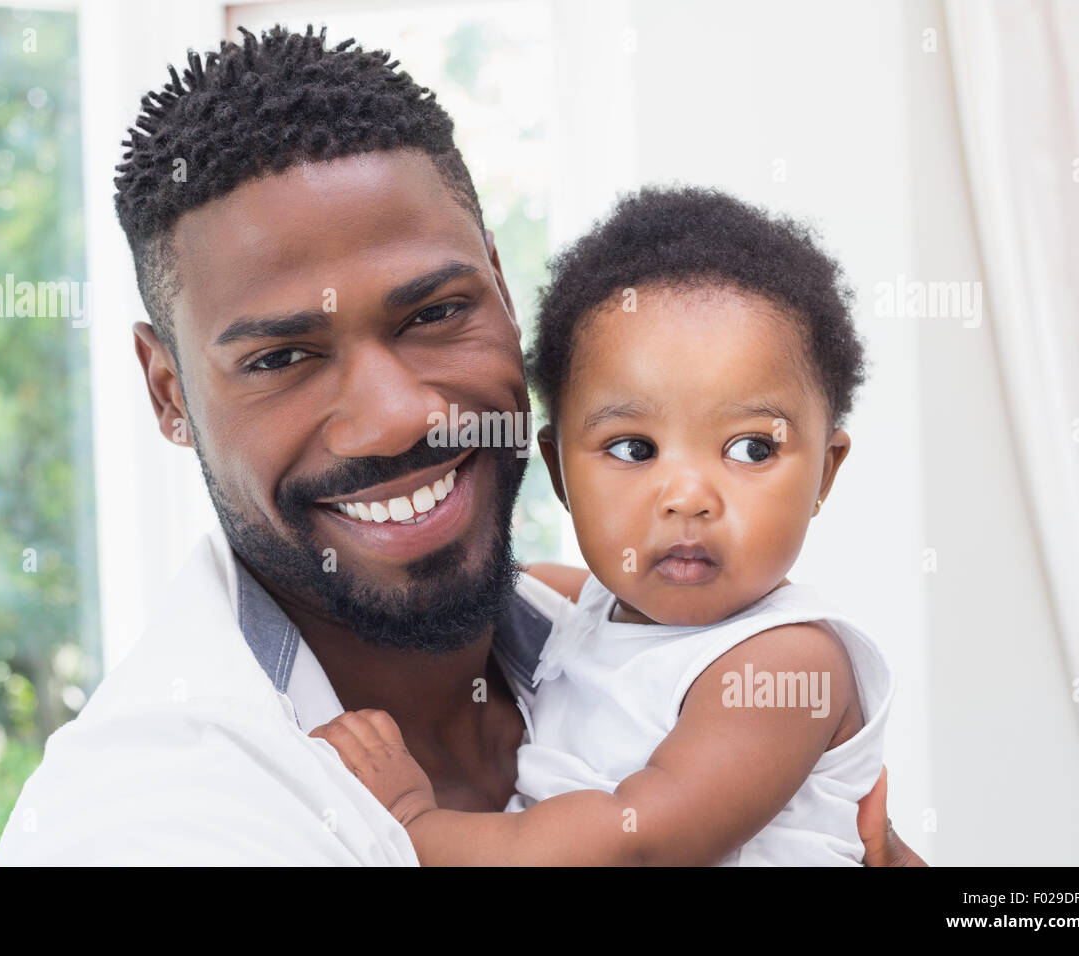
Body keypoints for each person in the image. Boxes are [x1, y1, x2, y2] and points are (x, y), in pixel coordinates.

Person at [0, 26, 923, 866]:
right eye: (282, 357)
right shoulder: (151, 824)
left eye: (435, 312)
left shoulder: (622, 630)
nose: (398, 417)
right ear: (170, 392)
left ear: (502, 289)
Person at [313, 186, 896, 865]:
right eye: (633, 450)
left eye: (750, 449)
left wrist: (413, 823)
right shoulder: (593, 605)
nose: (686, 498)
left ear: (825, 473)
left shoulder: (786, 664)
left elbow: (634, 843)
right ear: (559, 475)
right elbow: (525, 588)